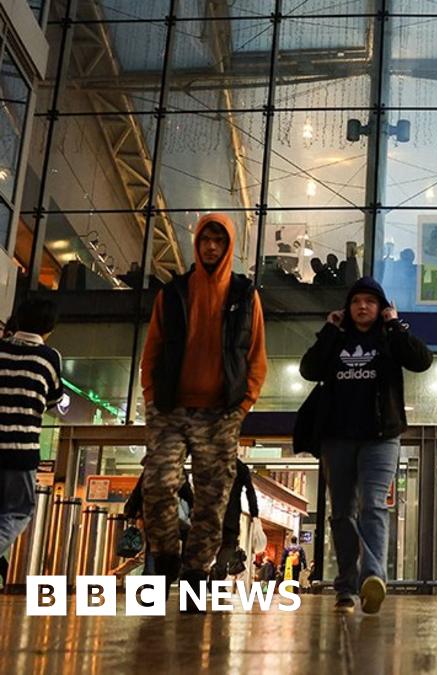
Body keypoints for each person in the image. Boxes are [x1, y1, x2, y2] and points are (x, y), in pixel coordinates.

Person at [139, 213, 268, 611]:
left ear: (228, 246)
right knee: (158, 484)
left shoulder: (245, 295)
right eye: (205, 240)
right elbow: (154, 348)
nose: (211, 247)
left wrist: (242, 405)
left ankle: (195, 574)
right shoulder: (174, 293)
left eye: (219, 241)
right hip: (171, 409)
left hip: (220, 414)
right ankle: (165, 557)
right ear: (196, 243)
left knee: (213, 501)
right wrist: (151, 397)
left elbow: (256, 356)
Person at [300, 276, 433, 614]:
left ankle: (373, 578)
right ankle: (345, 587)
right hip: (338, 438)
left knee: (373, 504)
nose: (362, 307)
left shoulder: (389, 338)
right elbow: (309, 369)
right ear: (347, 307)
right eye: (356, 301)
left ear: (381, 307)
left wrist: (395, 325)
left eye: (370, 302)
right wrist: (329, 331)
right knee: (342, 512)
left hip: (381, 437)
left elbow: (421, 360)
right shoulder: (337, 338)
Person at [0, 300, 64, 565]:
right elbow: (53, 399)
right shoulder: (49, 357)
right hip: (21, 451)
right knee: (18, 512)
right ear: (49, 328)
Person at [124, 471, 194, 575]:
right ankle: (183, 571)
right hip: (165, 515)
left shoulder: (151, 468)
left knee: (152, 546)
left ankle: (150, 579)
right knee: (187, 533)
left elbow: (138, 491)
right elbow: (186, 492)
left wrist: (130, 511)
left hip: (149, 514)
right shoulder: (175, 468)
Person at [212, 458, 259, 580]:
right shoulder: (240, 467)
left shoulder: (211, 461)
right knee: (229, 543)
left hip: (211, 509)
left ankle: (214, 572)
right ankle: (218, 571)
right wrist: (254, 514)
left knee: (209, 543)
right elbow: (250, 491)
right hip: (230, 513)